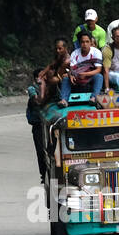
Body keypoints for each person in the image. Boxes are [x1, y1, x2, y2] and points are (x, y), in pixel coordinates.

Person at [25, 38, 71, 182]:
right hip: (39, 125)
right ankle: (44, 174)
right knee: (41, 150)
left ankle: (56, 172)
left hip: (51, 124)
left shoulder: (54, 85)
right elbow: (38, 101)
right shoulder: (33, 89)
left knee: (55, 148)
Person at [62, 31, 103, 98]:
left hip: (90, 76)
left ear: (90, 42)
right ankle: (63, 100)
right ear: (79, 43)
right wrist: (70, 75)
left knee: (99, 76)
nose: (85, 44)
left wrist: (85, 74)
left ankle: (94, 98)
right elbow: (71, 69)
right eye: (82, 42)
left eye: (87, 42)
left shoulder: (96, 52)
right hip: (77, 76)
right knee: (66, 78)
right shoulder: (75, 53)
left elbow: (98, 69)